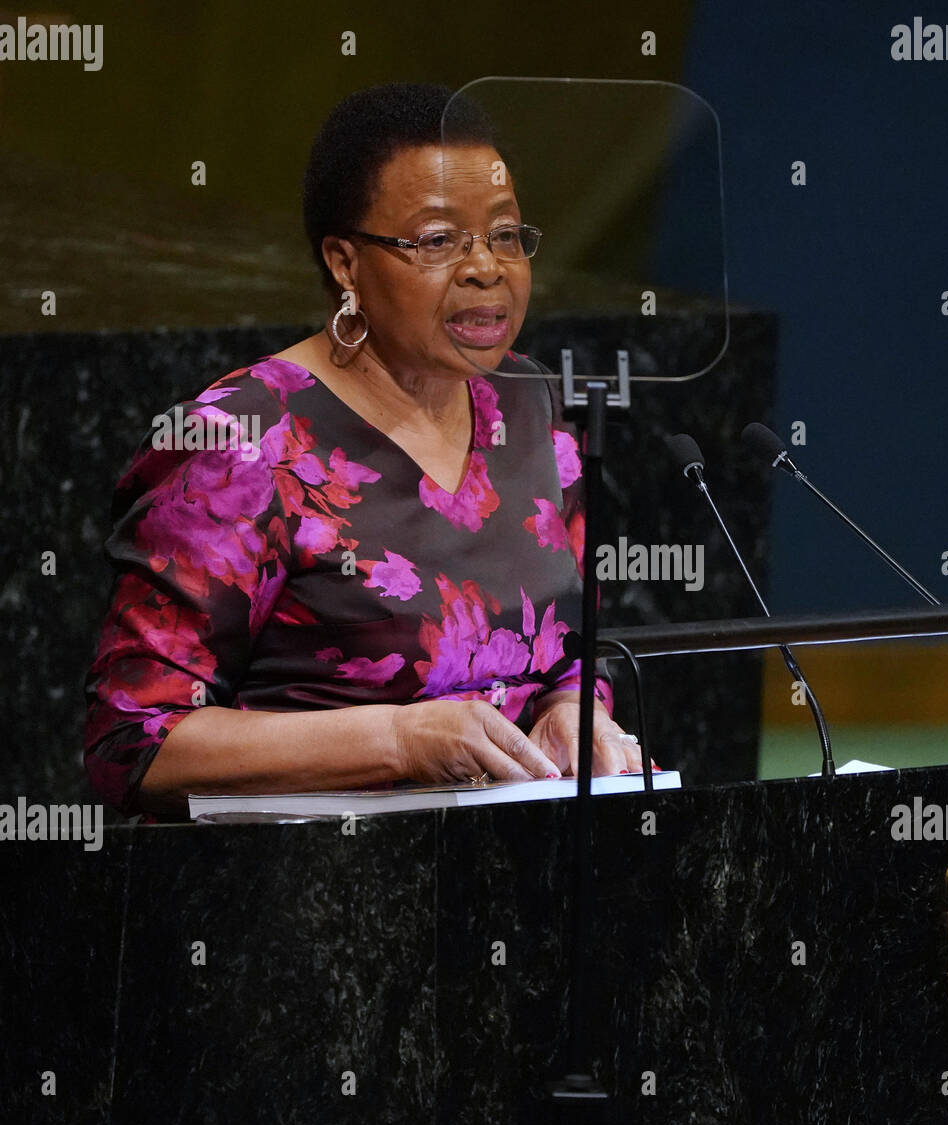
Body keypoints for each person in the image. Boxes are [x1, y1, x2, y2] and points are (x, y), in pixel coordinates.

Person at [83, 82, 644, 816]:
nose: (486, 268)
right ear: (346, 264)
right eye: (439, 240)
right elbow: (134, 743)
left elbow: (577, 644)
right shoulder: (240, 441)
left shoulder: (529, 400)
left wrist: (576, 710)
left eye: (506, 235)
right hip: (315, 897)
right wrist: (397, 740)